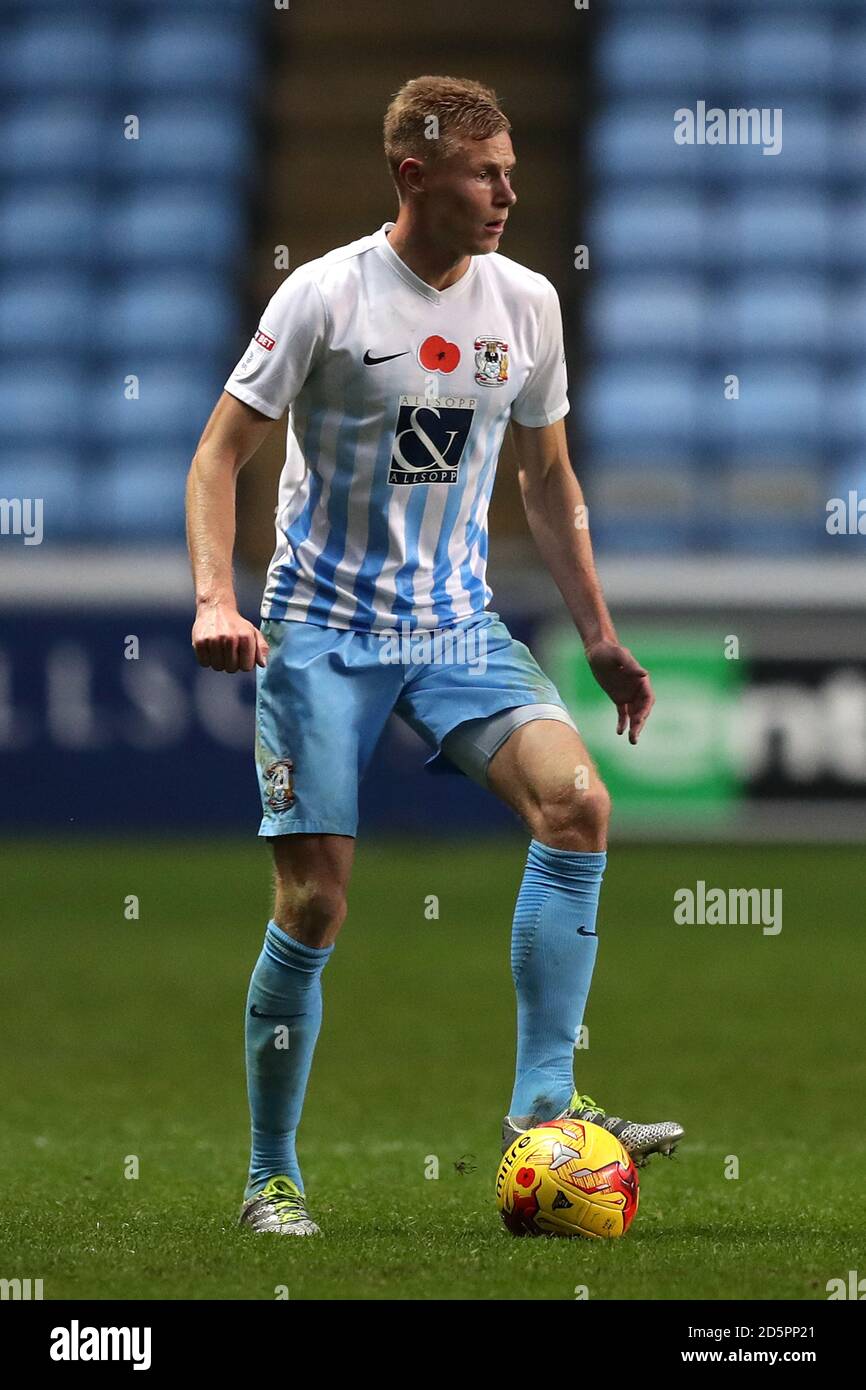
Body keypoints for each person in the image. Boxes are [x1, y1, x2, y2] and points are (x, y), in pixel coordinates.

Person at [185, 75, 683, 1236]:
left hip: (454, 627)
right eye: (484, 173)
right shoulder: (323, 297)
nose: (509, 191)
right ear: (414, 177)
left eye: (510, 169)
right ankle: (270, 1176)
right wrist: (216, 598)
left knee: (576, 805)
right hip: (319, 630)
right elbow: (217, 458)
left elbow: (546, 479)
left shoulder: (525, 304)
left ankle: (543, 1110)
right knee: (313, 905)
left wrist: (598, 633)